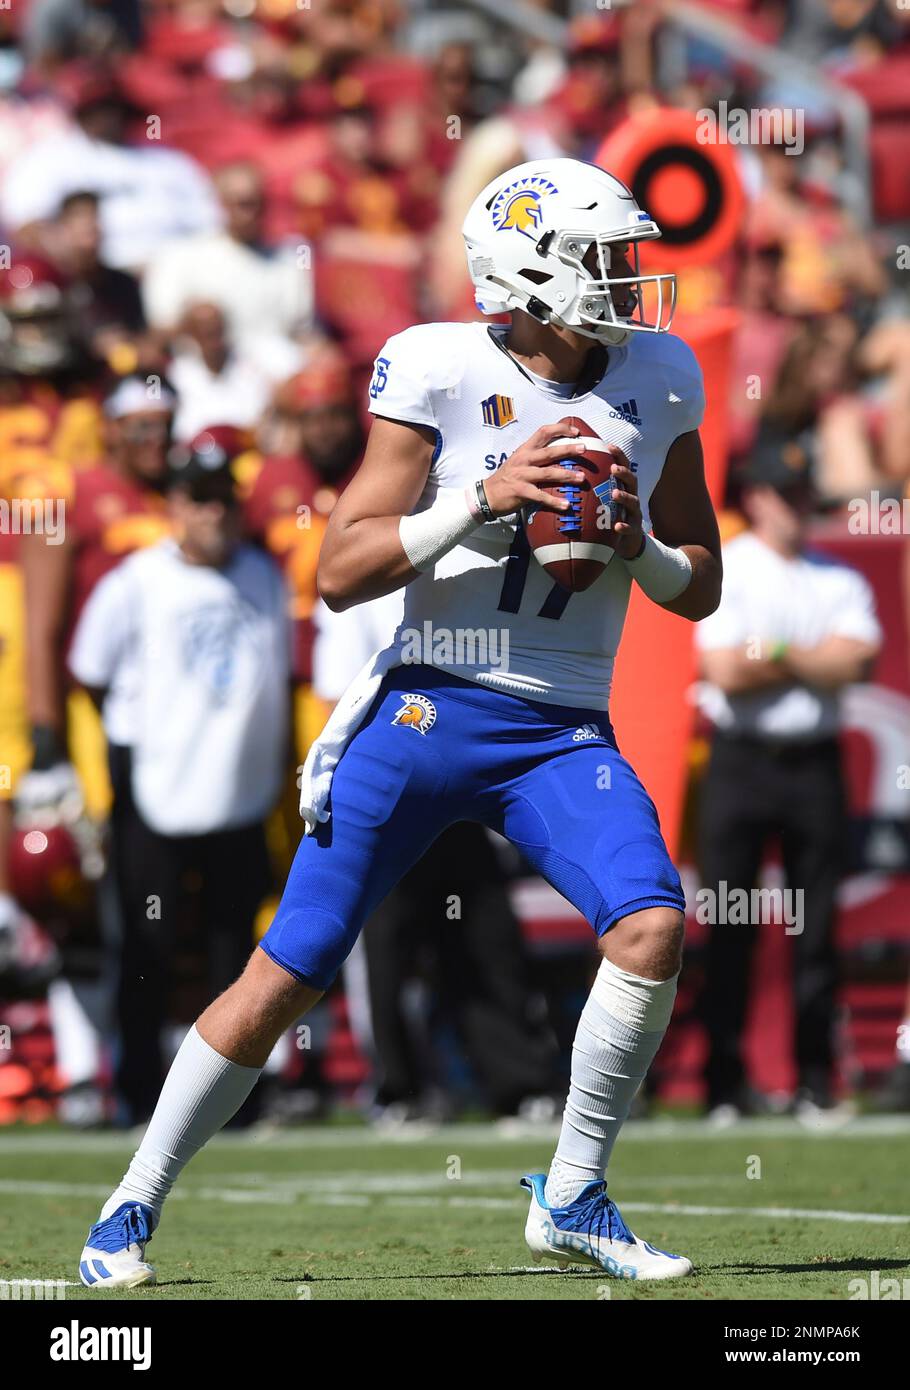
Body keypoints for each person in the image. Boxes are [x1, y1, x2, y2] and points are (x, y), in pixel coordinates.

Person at [78, 156, 722, 1287]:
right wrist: (483, 495)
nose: (628, 280)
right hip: (429, 702)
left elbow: (698, 581)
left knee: (651, 927)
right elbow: (340, 569)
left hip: (564, 720)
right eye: (604, 259)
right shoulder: (435, 365)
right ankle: (127, 1206)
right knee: (293, 963)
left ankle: (572, 1194)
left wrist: (639, 547)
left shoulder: (661, 377)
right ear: (530, 270)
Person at [68, 445, 289, 1124]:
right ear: (173, 507)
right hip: (157, 793)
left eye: (223, 498)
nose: (213, 512)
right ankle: (137, 1092)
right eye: (198, 498)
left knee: (235, 955)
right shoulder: (134, 581)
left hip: (242, 793)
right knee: (147, 950)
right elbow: (90, 669)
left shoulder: (262, 574)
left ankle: (230, 1101)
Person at [696, 442, 882, 1122]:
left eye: (805, 496)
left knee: (818, 927)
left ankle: (813, 1080)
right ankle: (723, 1082)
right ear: (759, 498)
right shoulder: (734, 571)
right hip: (742, 759)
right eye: (787, 495)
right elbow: (726, 672)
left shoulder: (838, 577)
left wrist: (772, 650)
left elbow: (860, 662)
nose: (799, 508)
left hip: (813, 762)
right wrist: (810, 658)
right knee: (728, 922)